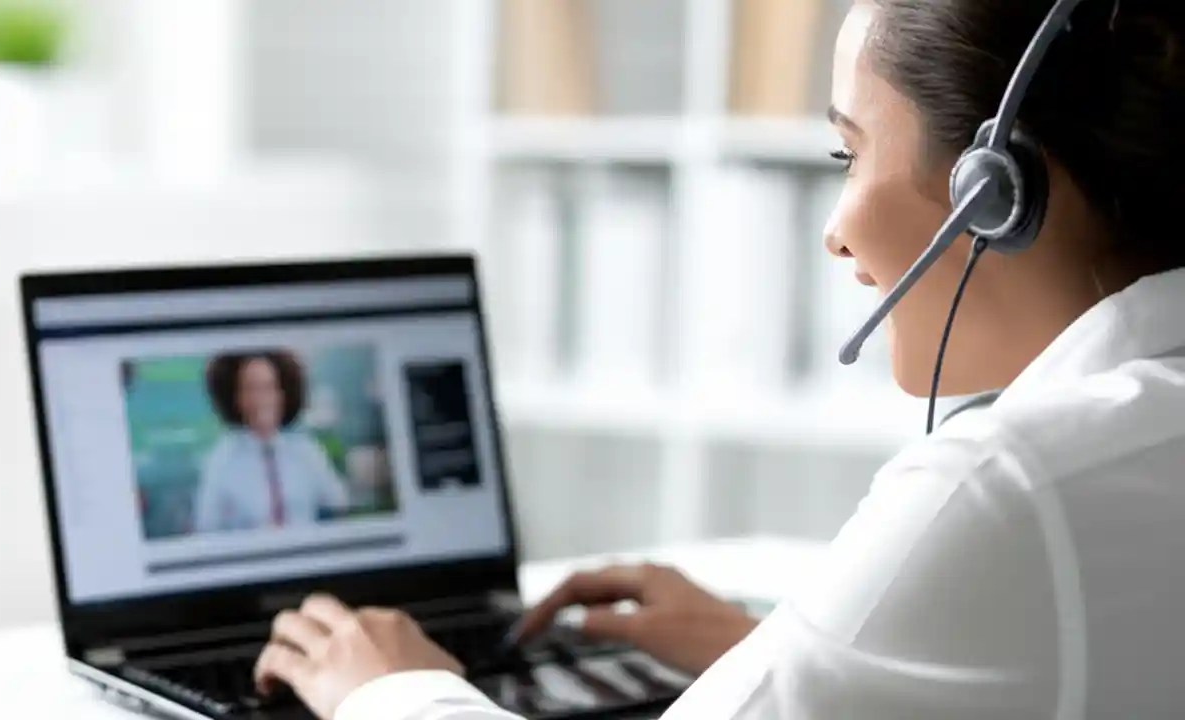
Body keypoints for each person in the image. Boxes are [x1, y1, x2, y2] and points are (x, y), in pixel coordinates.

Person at [252, 0, 1185, 717]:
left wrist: (391, 691)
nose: (833, 232)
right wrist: (782, 652)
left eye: (846, 153)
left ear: (996, 191)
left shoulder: (1005, 487)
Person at [194, 350, 350, 533]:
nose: (262, 399)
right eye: (251, 389)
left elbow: (338, 503)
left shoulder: (307, 451)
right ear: (237, 398)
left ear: (282, 394)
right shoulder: (220, 461)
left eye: (269, 387)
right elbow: (205, 527)